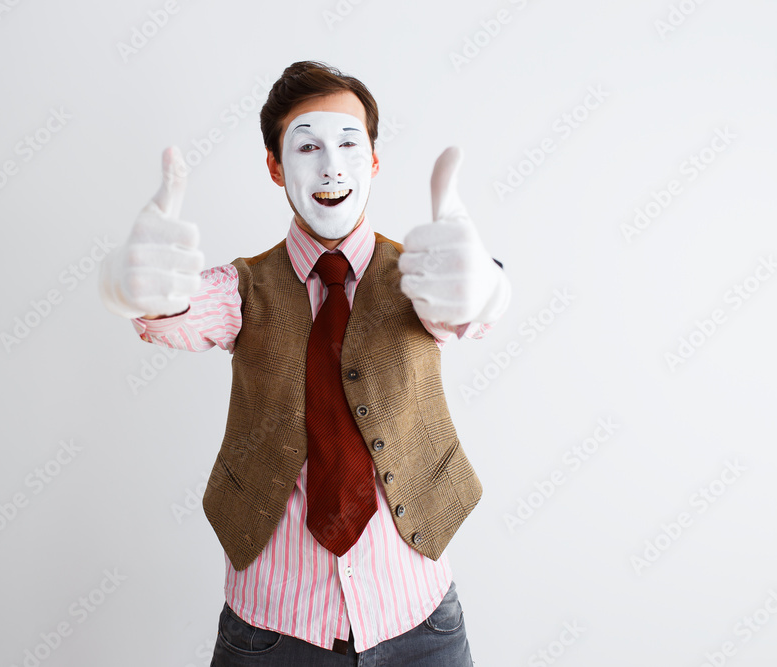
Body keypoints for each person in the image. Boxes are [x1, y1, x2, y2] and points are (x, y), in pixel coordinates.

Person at [99, 61, 510, 666]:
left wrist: (490, 286)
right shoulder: (243, 289)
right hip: (270, 627)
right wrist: (126, 285)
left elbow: (469, 305)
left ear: (373, 160)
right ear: (275, 166)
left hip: (419, 618)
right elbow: (175, 308)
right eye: (308, 147)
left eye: (349, 144)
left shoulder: (425, 277)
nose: (332, 167)